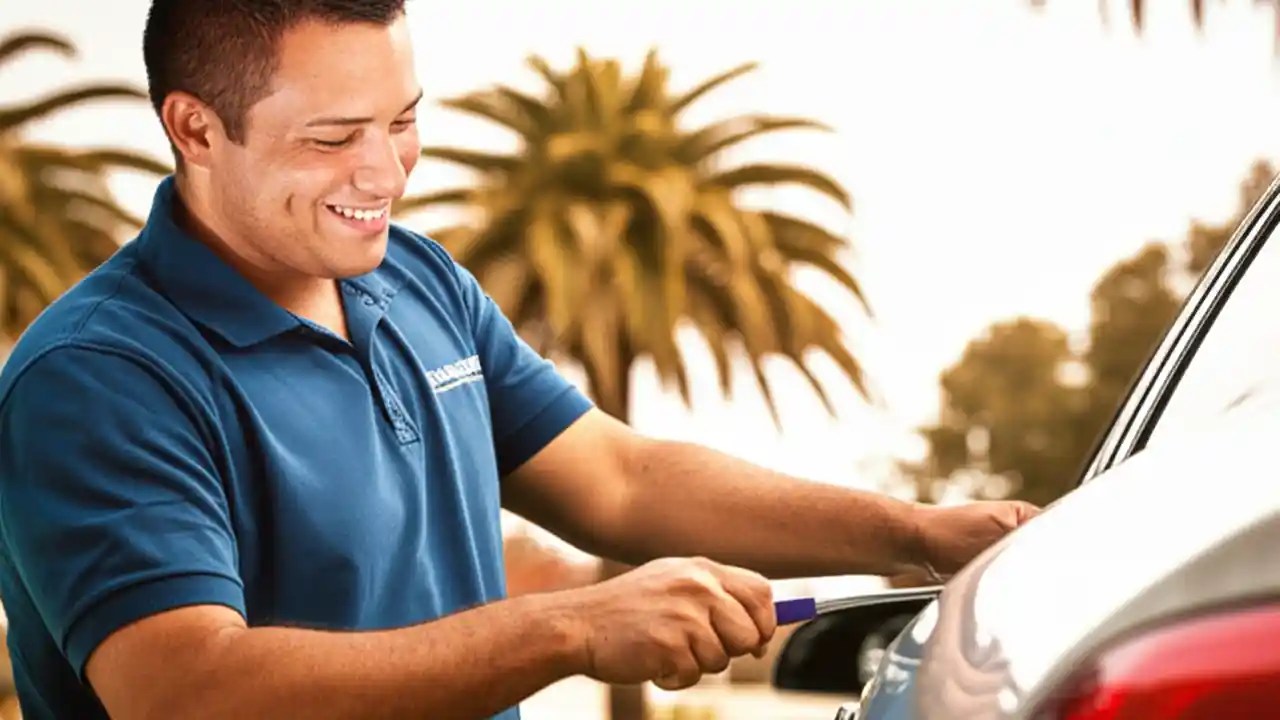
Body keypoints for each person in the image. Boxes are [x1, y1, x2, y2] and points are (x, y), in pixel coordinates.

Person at [0, 2, 1039, 718]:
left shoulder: (414, 283)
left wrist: (912, 532)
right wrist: (572, 629)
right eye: (332, 138)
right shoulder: (98, 379)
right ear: (194, 128)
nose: (385, 171)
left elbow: (617, 480)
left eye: (403, 121)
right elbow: (190, 692)